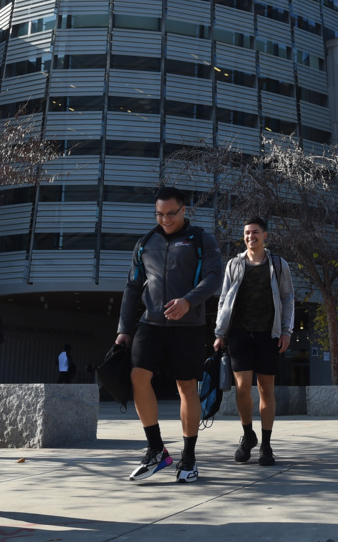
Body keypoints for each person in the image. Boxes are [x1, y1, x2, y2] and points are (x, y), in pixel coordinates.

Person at [116, 186, 221, 483]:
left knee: (186, 386)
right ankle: (156, 449)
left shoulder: (201, 239)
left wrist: (189, 300)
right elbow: (133, 287)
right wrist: (124, 329)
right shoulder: (145, 243)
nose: (165, 219)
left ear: (184, 210)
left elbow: (215, 276)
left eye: (171, 214)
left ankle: (188, 457)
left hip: (188, 326)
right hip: (150, 323)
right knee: (138, 377)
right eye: (160, 214)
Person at [213, 217, 294, 466]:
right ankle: (248, 435)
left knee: (266, 389)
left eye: (255, 232)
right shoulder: (234, 265)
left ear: (265, 235)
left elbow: (288, 298)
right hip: (239, 334)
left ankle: (266, 446)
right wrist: (219, 332)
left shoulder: (278, 265)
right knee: (241, 388)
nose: (251, 237)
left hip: (267, 334)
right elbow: (224, 299)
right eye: (247, 233)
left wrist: (286, 331)